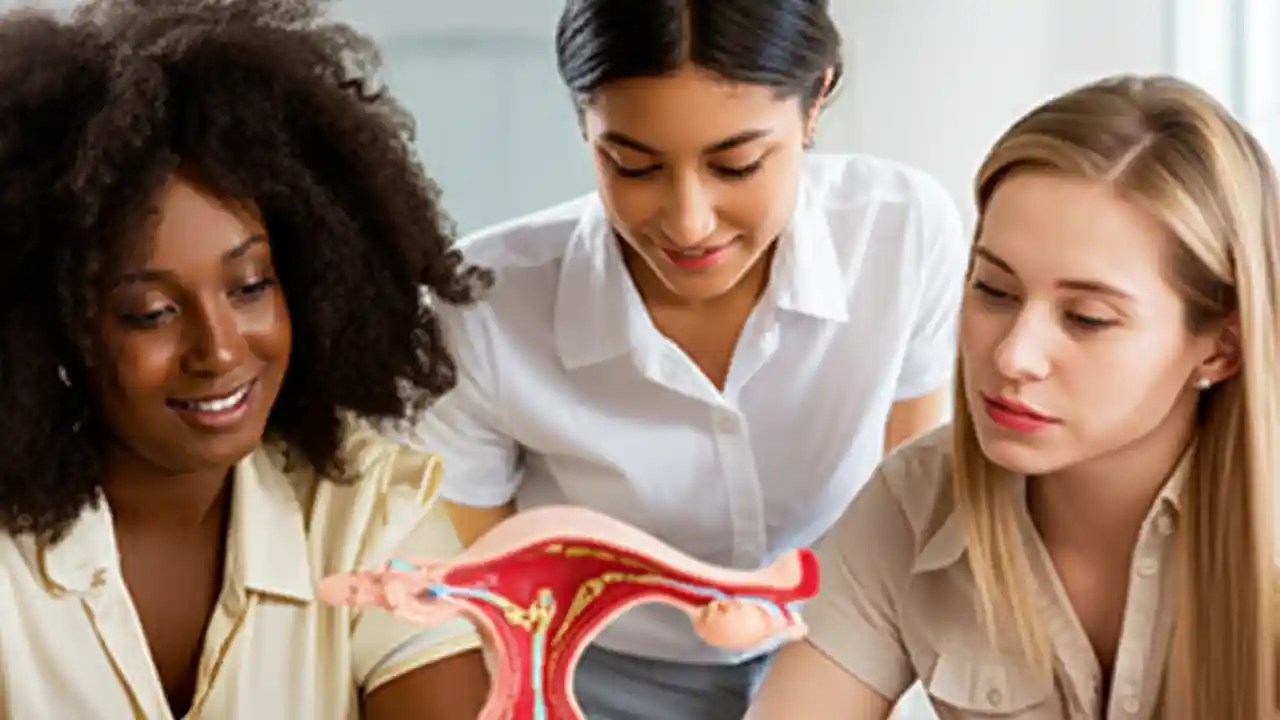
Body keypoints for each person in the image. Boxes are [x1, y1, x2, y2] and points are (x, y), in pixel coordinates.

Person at [392, 0, 967, 717]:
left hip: (836, 648)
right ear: (583, 123)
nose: (689, 221)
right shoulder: (480, 307)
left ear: (816, 100)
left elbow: (903, 508)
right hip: (590, 670)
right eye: (633, 166)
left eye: (737, 164)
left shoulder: (902, 232)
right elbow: (498, 600)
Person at [0, 1, 493, 717]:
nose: (221, 347)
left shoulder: (368, 509)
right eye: (153, 313)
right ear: (52, 330)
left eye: (250, 285)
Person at [746, 74, 1280, 720]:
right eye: (994, 290)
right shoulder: (913, 505)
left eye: (1087, 318)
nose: (1012, 356)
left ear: (1221, 350)